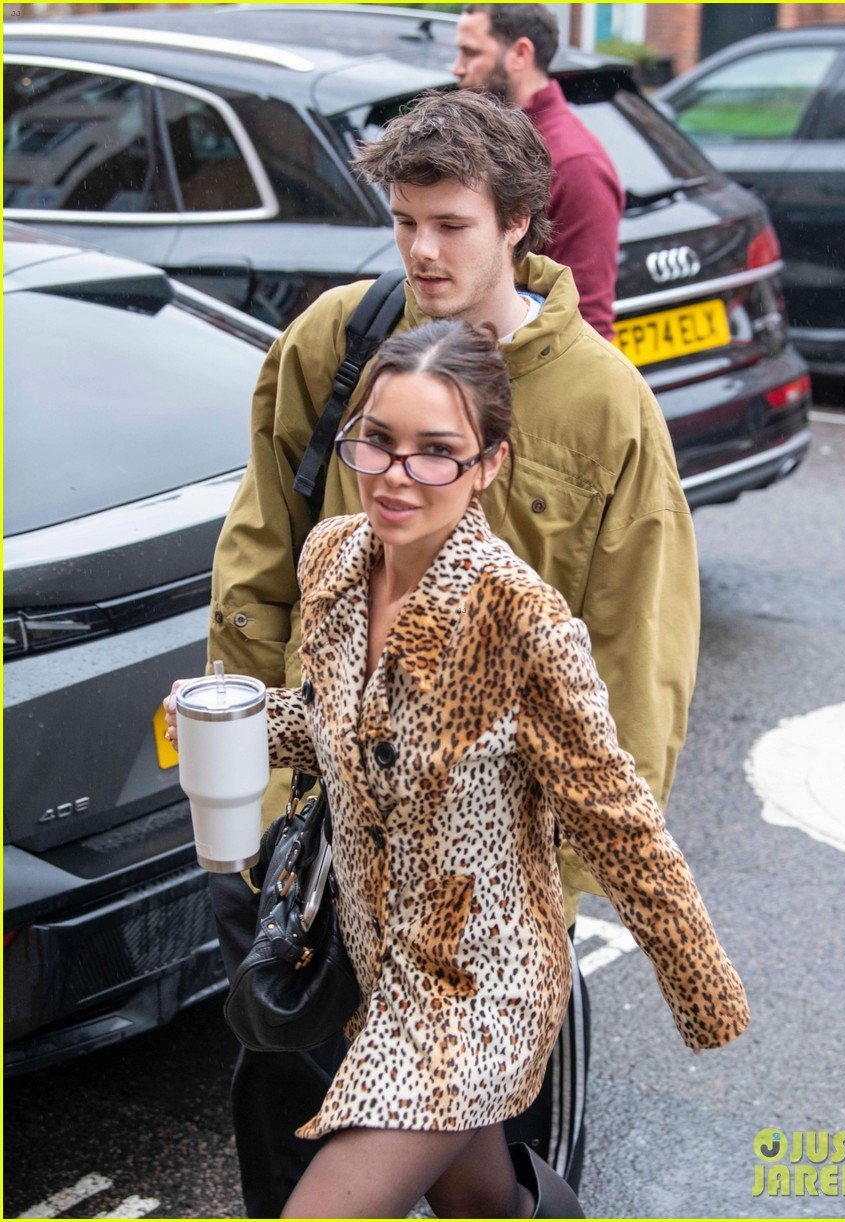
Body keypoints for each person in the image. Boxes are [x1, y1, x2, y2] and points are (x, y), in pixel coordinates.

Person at [206, 89, 700, 1216]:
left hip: (489, 878)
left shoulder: (605, 404)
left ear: (518, 222)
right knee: (309, 1117)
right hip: (328, 837)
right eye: (403, 220)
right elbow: (258, 561)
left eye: (451, 225)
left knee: (456, 1143)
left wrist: (564, 885)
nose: (422, 251)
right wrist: (259, 787)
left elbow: (640, 659)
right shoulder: (335, 340)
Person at [167, 319, 748, 1219]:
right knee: (481, 1200)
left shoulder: (520, 621)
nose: (397, 475)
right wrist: (241, 722)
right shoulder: (333, 560)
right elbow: (339, 727)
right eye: (378, 441)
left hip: (481, 984)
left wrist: (701, 991)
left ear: (488, 465)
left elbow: (615, 817)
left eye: (437, 452)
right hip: (377, 964)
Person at [451, 4, 624, 339]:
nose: (457, 68)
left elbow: (587, 323)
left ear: (520, 54)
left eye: (471, 53)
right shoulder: (490, 139)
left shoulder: (576, 164)